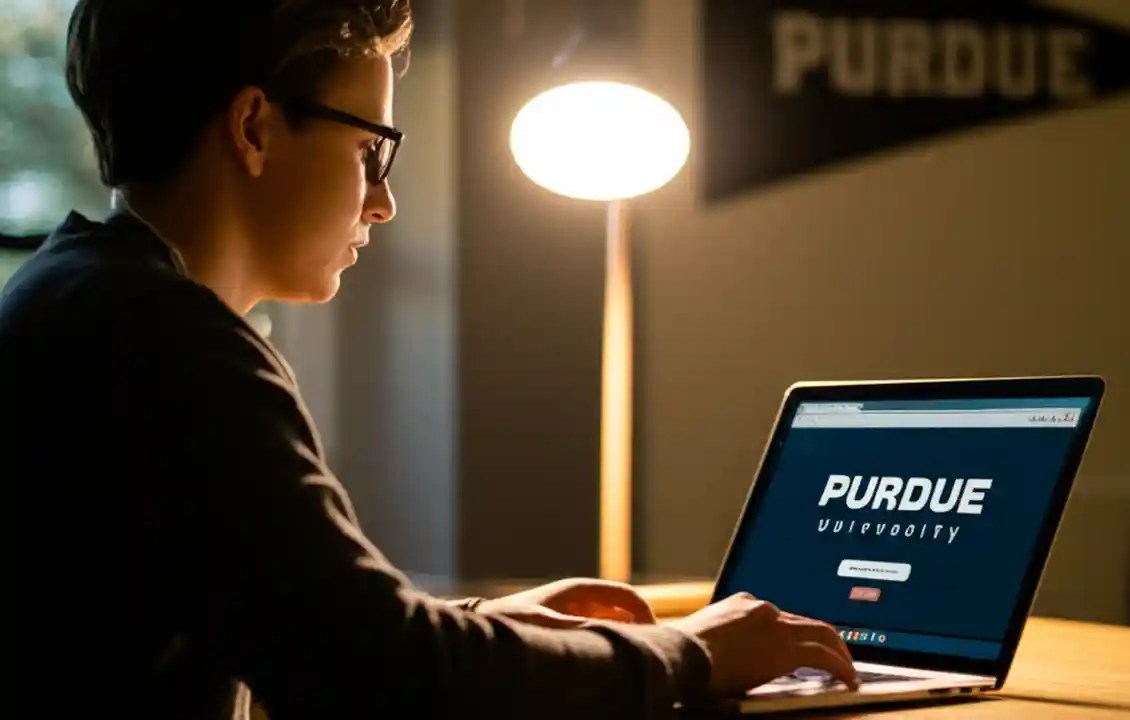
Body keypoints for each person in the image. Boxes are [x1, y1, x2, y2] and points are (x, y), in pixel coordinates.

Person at [0, 1, 858, 717]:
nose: (384, 201)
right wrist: (685, 655)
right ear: (254, 128)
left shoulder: (81, 299)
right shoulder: (167, 344)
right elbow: (378, 678)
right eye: (370, 148)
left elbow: (303, 629)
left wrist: (487, 626)